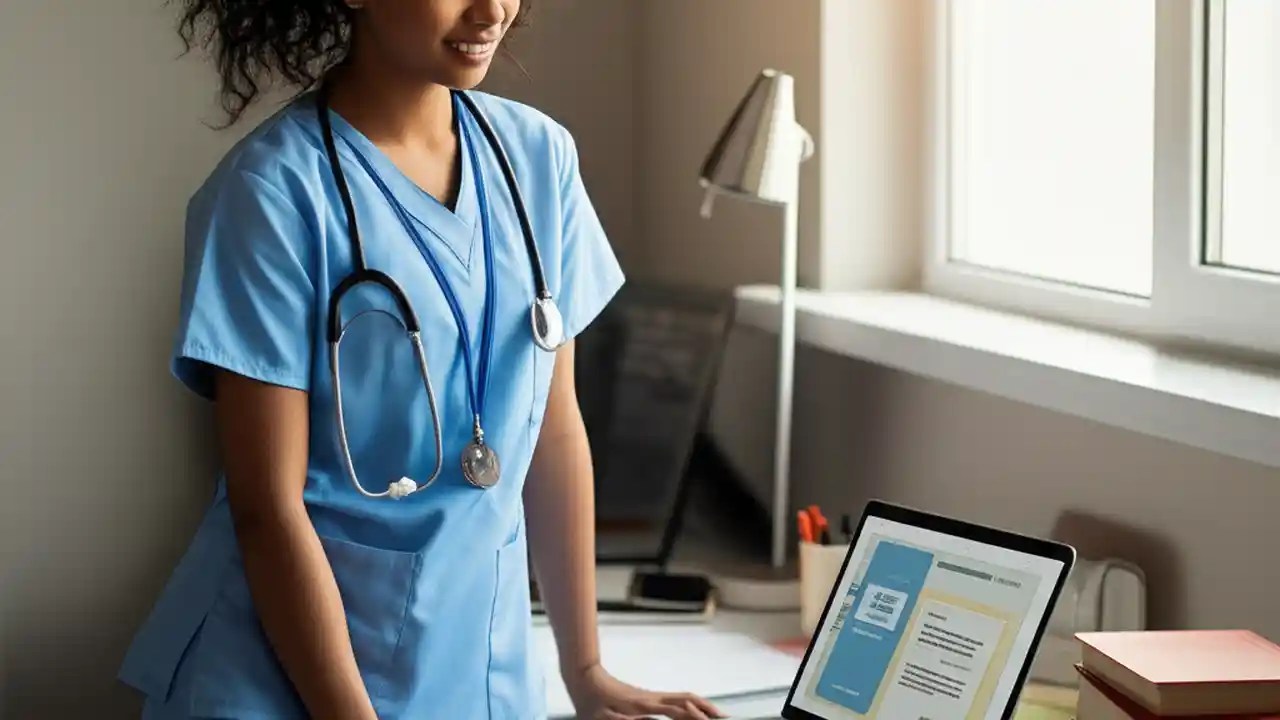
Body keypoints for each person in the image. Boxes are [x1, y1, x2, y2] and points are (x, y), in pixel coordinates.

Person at [117, 1, 724, 718]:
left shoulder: (538, 159)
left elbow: (554, 432)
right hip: (280, 676)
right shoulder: (274, 193)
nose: (493, 9)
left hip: (473, 665)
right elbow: (267, 509)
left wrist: (585, 668)